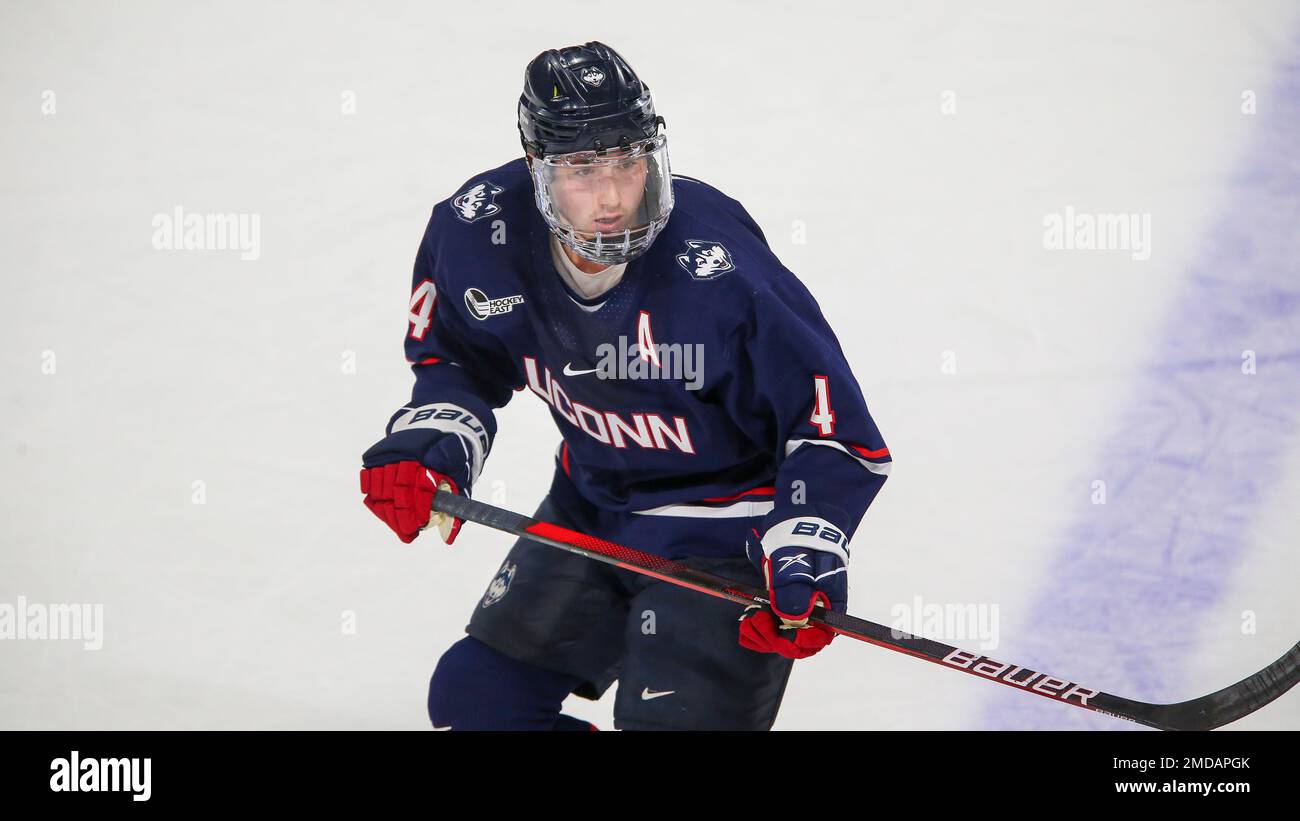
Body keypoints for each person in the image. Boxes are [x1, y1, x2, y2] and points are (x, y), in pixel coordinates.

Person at [358, 41, 892, 730]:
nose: (611, 196)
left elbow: (832, 429)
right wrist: (431, 446)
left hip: (724, 540)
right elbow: (458, 361)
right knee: (477, 702)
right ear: (536, 165)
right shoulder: (476, 230)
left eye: (627, 160)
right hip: (592, 508)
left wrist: (805, 542)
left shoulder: (719, 268)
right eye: (582, 167)